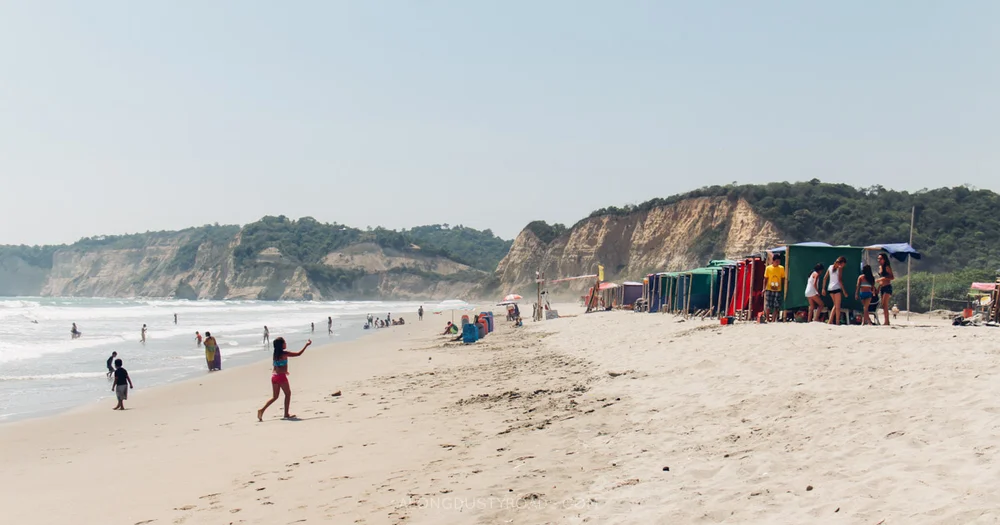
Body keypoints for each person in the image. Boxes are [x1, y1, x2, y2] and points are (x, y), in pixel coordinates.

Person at [258, 337, 311, 421]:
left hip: (274, 376)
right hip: (281, 377)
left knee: (275, 397)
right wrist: (306, 345)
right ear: (281, 345)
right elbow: (298, 354)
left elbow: (276, 366)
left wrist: (284, 371)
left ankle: (262, 410)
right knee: (288, 394)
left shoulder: (275, 355)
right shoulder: (284, 354)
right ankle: (286, 414)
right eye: (284, 343)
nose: (286, 344)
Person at [822, 256, 848, 326]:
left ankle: (830, 321)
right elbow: (840, 280)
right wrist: (844, 291)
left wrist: (823, 288)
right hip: (836, 288)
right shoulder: (840, 268)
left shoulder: (830, 267)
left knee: (835, 305)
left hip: (830, 288)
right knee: (838, 306)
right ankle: (837, 322)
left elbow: (825, 278)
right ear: (842, 263)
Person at [762, 255, 785, 322]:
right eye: (776, 261)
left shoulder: (781, 268)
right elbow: (765, 279)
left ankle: (773, 319)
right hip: (769, 288)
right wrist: (764, 288)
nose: (778, 263)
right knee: (768, 305)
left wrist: (782, 286)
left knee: (776, 305)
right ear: (773, 261)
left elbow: (783, 278)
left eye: (779, 261)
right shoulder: (768, 268)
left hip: (778, 289)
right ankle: (768, 319)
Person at [877, 253, 895, 326]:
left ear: (884, 259)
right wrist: (878, 288)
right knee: (883, 305)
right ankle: (886, 321)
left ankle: (887, 321)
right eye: (878, 258)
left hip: (887, 286)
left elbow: (892, 277)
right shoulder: (880, 267)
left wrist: (883, 278)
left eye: (880, 258)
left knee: (885, 304)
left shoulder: (887, 267)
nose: (879, 260)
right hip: (882, 287)